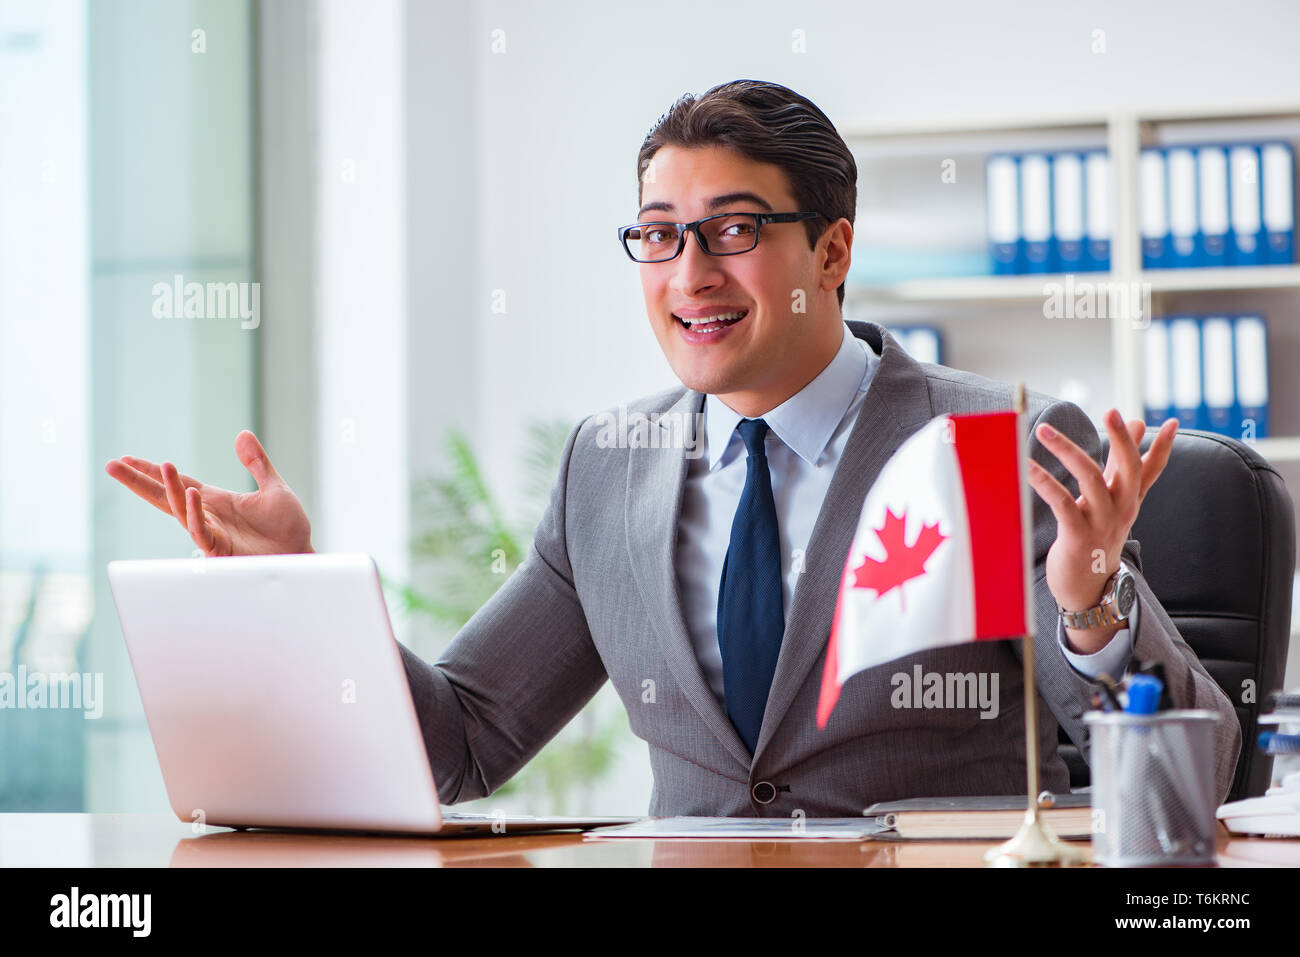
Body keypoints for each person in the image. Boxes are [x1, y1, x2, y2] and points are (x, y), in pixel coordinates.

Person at [106, 79, 1241, 815]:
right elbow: (461, 744)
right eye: (658, 236)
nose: (689, 274)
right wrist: (295, 593)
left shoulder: (992, 440)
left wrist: (1088, 605)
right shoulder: (609, 465)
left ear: (831, 251)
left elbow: (1203, 776)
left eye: (734, 231)